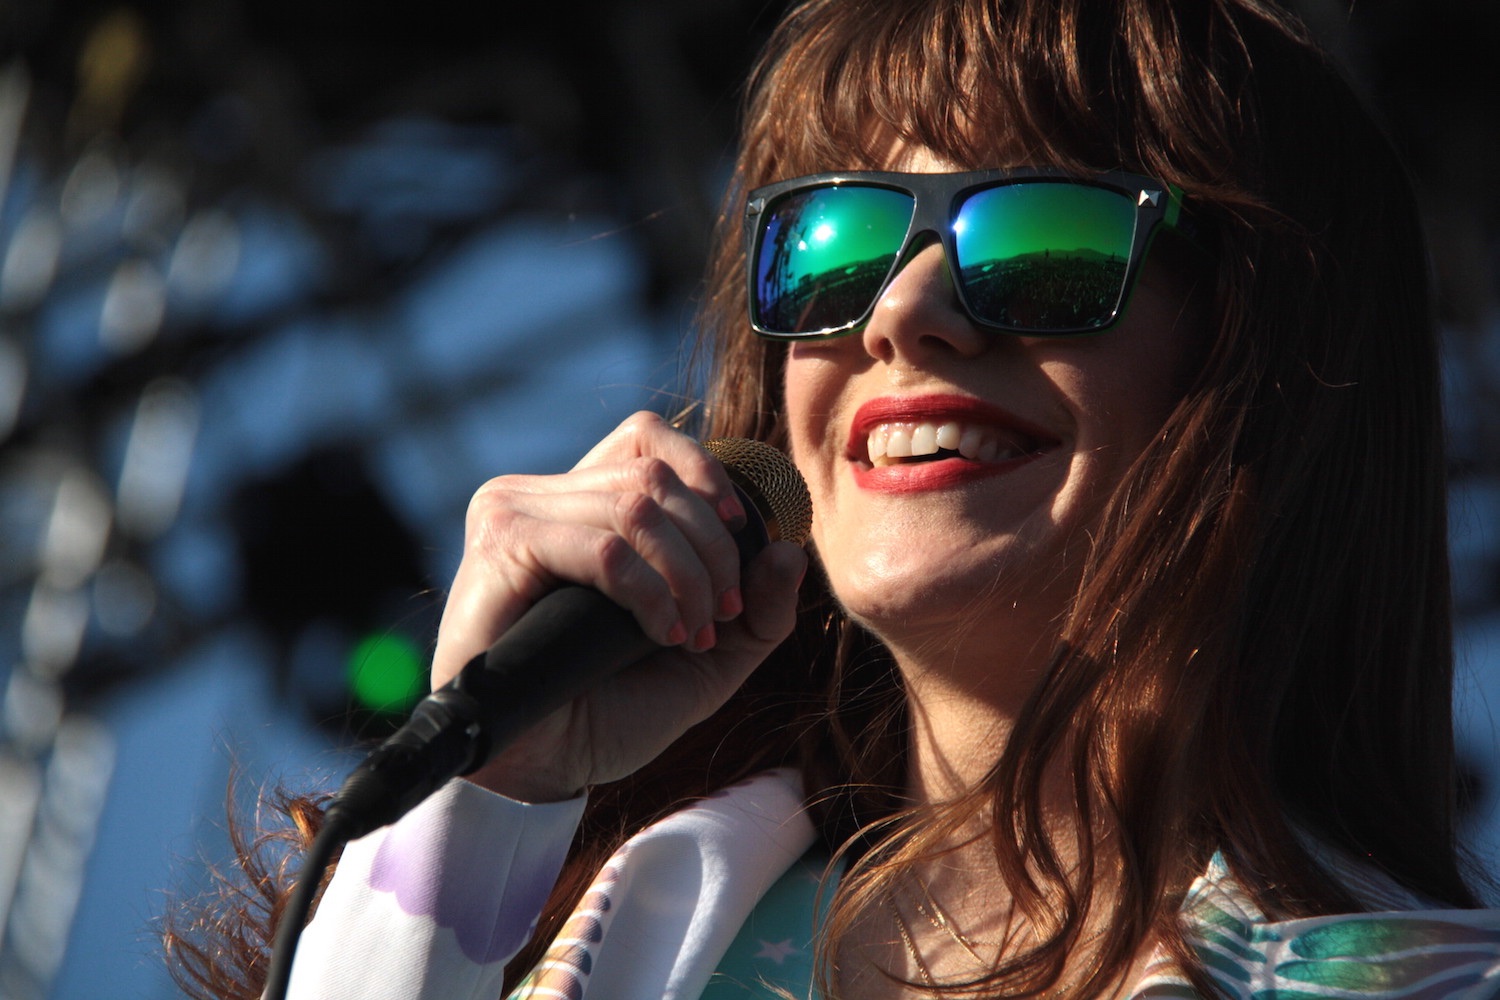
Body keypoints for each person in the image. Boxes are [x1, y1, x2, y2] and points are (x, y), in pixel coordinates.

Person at [165, 0, 1500, 997]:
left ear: (1273, 359)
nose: (904, 312)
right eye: (839, 244)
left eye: (1043, 242)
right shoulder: (630, 935)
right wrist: (493, 797)